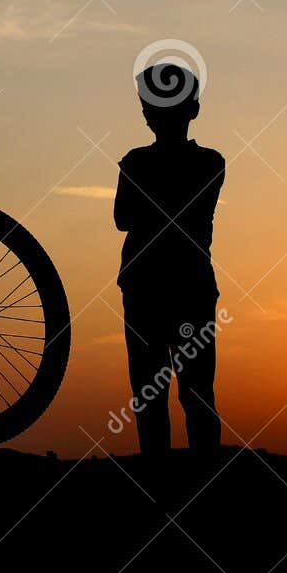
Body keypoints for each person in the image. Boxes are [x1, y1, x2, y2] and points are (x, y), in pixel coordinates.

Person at [115, 62, 225, 454]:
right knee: (192, 392)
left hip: (153, 287)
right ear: (194, 110)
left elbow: (124, 217)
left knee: (160, 394)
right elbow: (127, 218)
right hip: (187, 286)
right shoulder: (209, 162)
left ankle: (164, 485)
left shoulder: (136, 163)